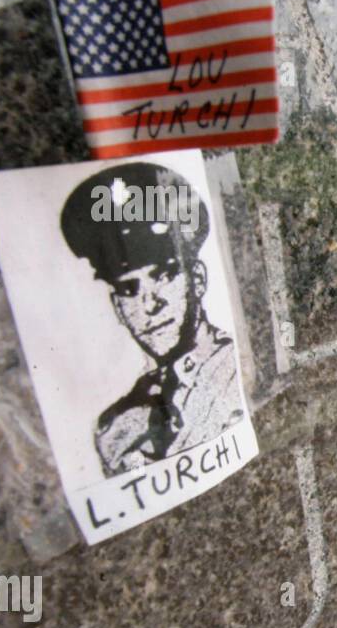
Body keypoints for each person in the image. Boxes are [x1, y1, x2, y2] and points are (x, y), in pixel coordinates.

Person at [60, 162, 244, 477]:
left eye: (164, 275)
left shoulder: (235, 370)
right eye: (129, 289)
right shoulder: (115, 428)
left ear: (197, 279)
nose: (150, 303)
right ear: (118, 307)